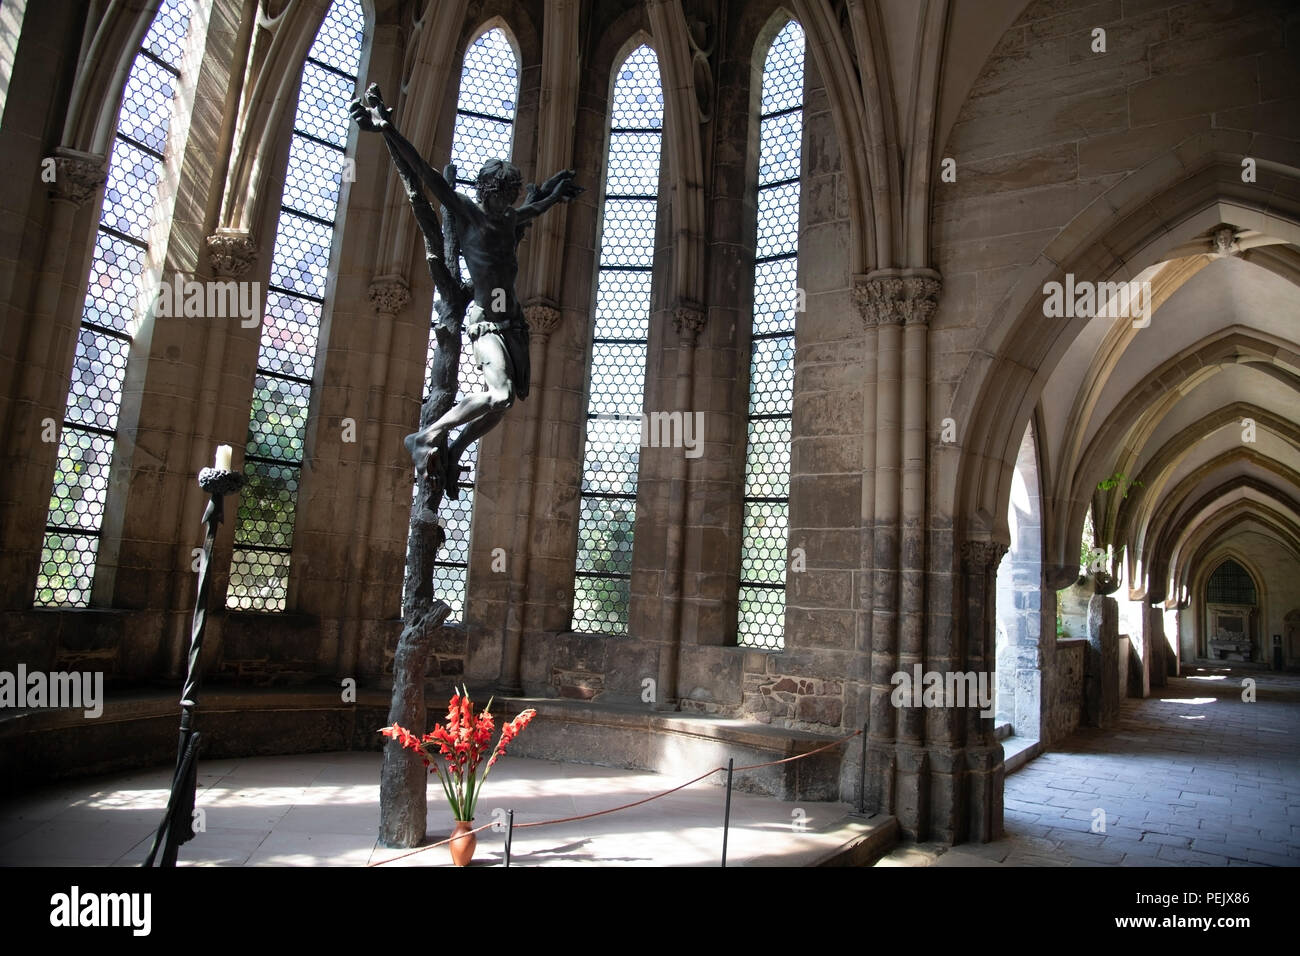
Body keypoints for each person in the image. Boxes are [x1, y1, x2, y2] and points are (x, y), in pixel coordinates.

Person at [349, 85, 583, 488]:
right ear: (486, 192)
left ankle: (453, 452)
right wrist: (388, 129)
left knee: (502, 404)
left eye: (511, 196)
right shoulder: (468, 213)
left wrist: (555, 193)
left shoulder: (509, 220)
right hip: (486, 322)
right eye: (502, 195)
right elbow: (422, 169)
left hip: (514, 323)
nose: (507, 202)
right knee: (500, 395)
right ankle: (424, 436)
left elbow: (537, 206)